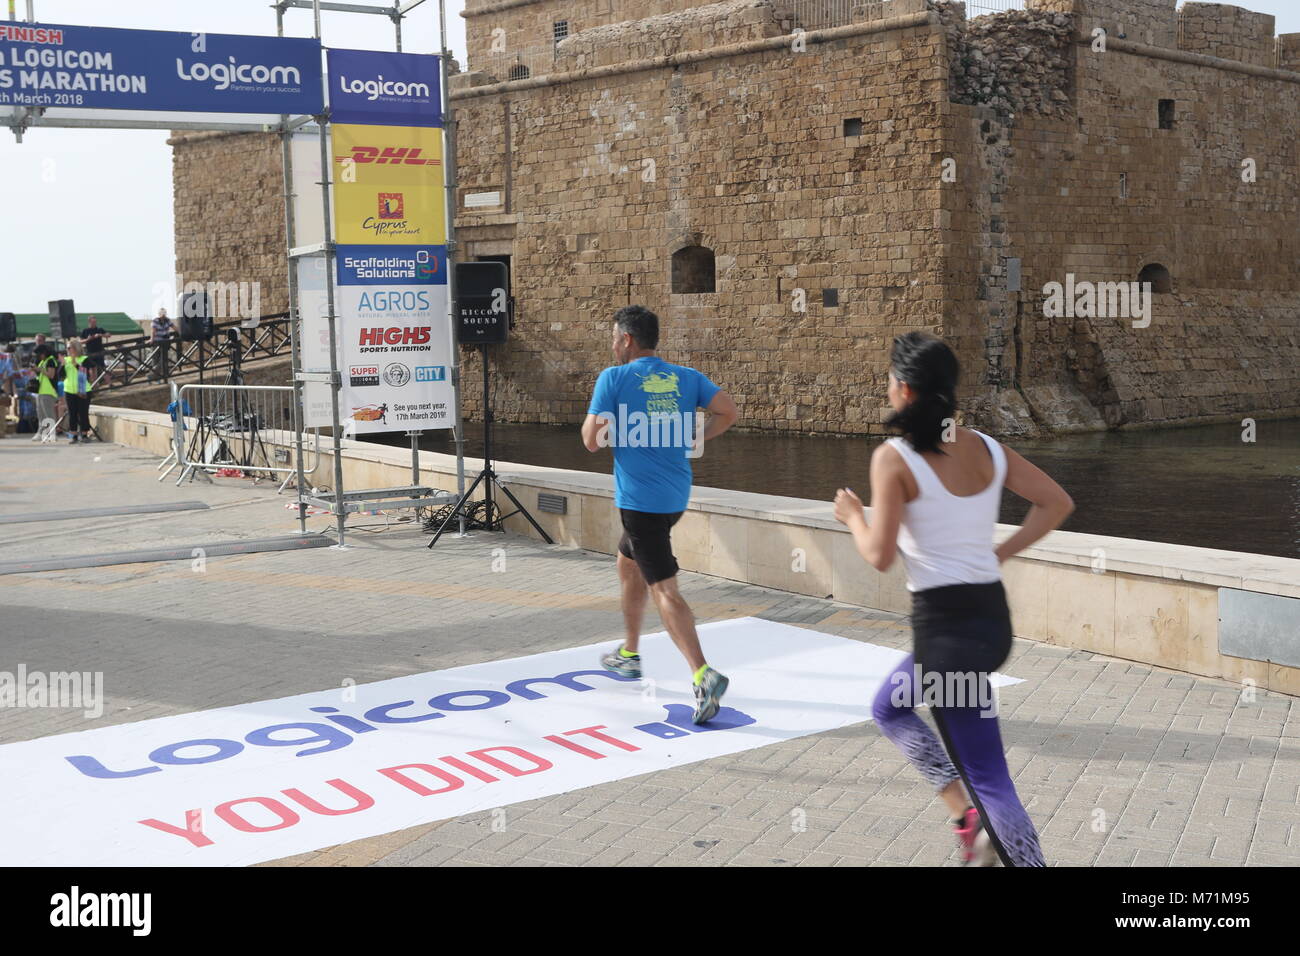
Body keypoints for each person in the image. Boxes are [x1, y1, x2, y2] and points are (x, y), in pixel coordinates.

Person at [833, 331, 1074, 867]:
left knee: (989, 775)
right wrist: (1001, 553)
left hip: (945, 639)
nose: (889, 389)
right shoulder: (986, 447)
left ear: (906, 391)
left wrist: (853, 516)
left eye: (892, 381)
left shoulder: (893, 459)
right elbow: (1056, 502)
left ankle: (1019, 854)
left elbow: (877, 554)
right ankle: (966, 819)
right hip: (989, 623)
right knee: (888, 707)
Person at [582, 305, 739, 724]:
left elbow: (590, 441)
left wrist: (617, 424)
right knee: (627, 562)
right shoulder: (686, 377)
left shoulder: (613, 378)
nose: (612, 344)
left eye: (614, 337)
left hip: (641, 503)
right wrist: (695, 435)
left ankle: (702, 673)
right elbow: (728, 410)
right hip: (674, 497)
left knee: (665, 590)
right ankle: (630, 653)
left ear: (628, 340)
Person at [61, 339, 93, 443]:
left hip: (83, 389)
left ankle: (84, 434)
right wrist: (62, 365)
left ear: (76, 348)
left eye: (70, 348)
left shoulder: (84, 359)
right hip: (69, 390)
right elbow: (60, 375)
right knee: (72, 413)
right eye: (67, 348)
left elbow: (87, 373)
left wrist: (75, 364)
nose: (68, 350)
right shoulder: (66, 360)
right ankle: (73, 435)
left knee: (83, 412)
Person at [31, 344, 59, 441]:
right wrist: (36, 370)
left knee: (49, 414)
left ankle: (52, 433)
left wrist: (39, 369)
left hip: (48, 391)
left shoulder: (51, 360)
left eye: (39, 354)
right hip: (41, 391)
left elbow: (51, 375)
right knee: (40, 414)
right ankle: (41, 432)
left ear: (44, 353)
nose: (38, 356)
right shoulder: (43, 361)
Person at [80, 315, 111, 387]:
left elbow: (108, 335)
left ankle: (110, 384)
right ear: (89, 322)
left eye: (95, 321)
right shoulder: (85, 330)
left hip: (99, 352)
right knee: (92, 369)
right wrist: (88, 339)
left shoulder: (99, 329)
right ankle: (95, 385)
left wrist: (101, 335)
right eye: (93, 322)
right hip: (90, 353)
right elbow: (80, 341)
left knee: (103, 368)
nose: (94, 323)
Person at [151, 308, 175, 381]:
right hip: (157, 342)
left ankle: (163, 375)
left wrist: (181, 333)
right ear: (159, 315)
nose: (163, 316)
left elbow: (174, 327)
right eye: (162, 315)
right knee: (156, 359)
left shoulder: (167, 320)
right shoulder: (155, 321)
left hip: (165, 342)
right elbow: (153, 331)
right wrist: (152, 339)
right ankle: (155, 376)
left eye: (164, 314)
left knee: (163, 359)